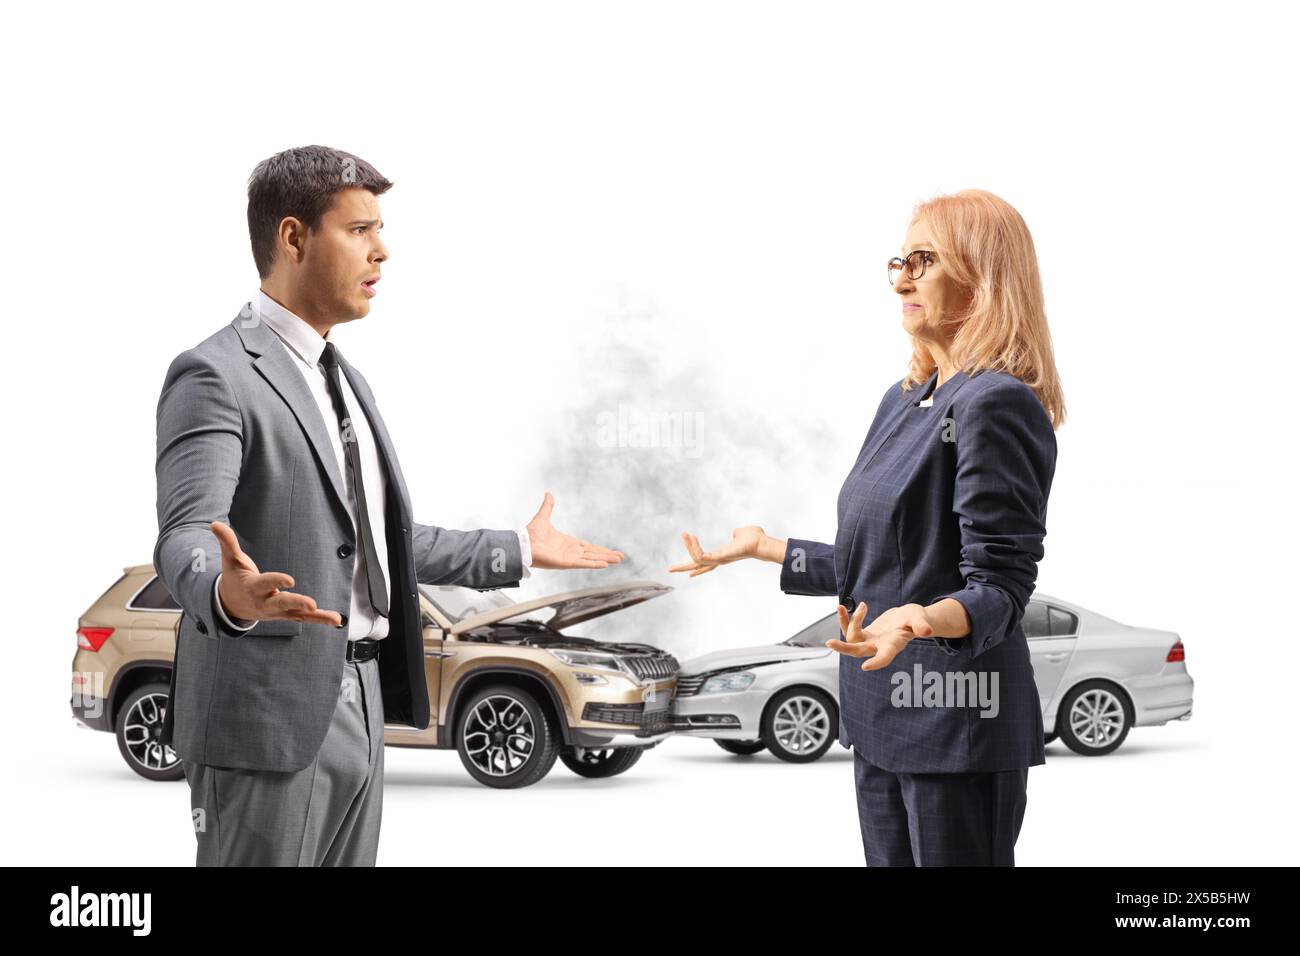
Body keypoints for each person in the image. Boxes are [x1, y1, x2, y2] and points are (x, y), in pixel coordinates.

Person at [154, 145, 624, 866]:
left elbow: (374, 542)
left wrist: (519, 549)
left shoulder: (345, 380)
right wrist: (226, 593)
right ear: (293, 238)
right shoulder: (216, 374)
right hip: (268, 716)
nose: (384, 250)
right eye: (360, 230)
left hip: (364, 701)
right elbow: (186, 530)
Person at [670, 188, 1065, 866]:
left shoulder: (994, 404)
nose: (903, 278)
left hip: (956, 720)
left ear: (983, 275)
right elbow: (880, 562)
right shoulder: (905, 399)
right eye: (900, 260)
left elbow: (1000, 590)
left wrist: (915, 620)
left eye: (925, 259)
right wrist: (766, 548)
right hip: (880, 710)